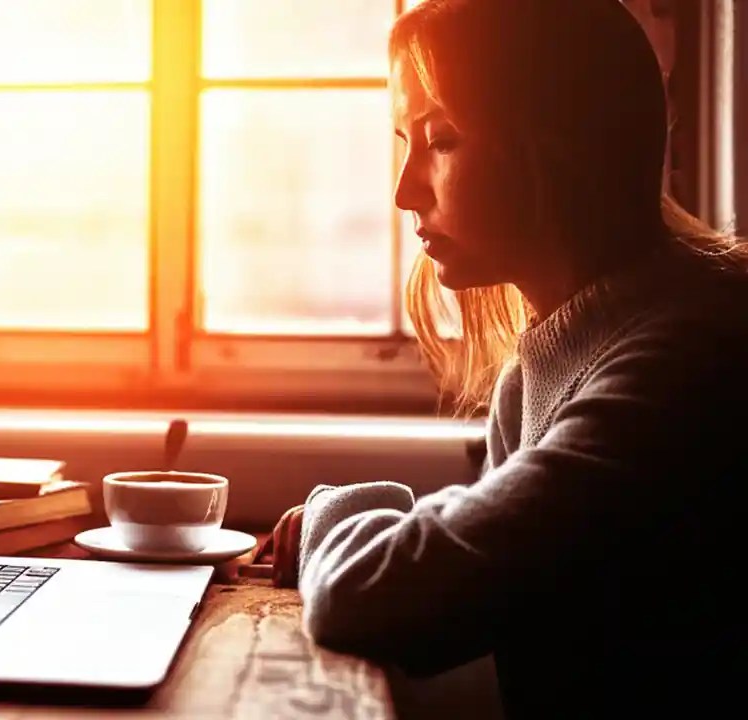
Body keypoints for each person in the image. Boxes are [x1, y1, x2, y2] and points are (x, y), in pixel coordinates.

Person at [281, 1, 748, 718]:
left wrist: (341, 510)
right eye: (406, 140)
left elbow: (366, 598)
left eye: (441, 140)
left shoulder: (678, 367)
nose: (406, 189)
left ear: (555, 147)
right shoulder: (539, 368)